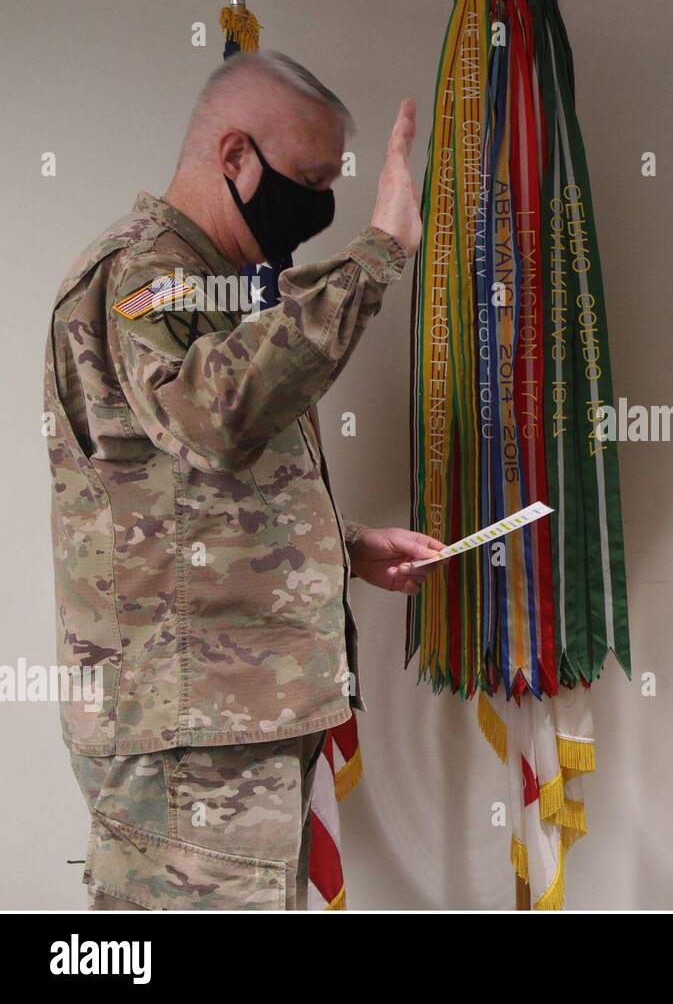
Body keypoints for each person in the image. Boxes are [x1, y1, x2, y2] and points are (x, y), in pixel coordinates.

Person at [45, 51, 439, 909]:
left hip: (229, 727)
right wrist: (375, 257)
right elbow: (211, 418)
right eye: (308, 177)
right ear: (235, 157)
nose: (322, 204)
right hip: (189, 746)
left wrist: (344, 549)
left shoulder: (216, 283)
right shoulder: (142, 279)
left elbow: (184, 498)